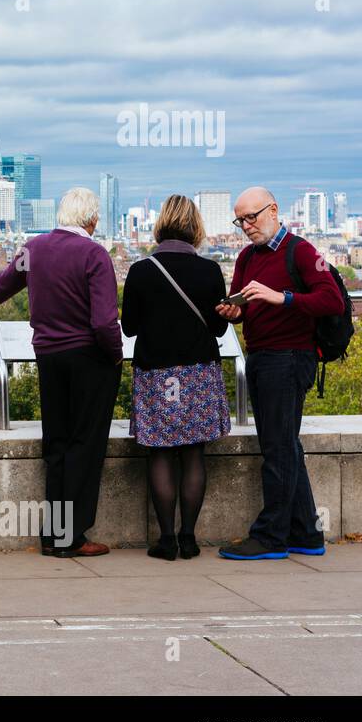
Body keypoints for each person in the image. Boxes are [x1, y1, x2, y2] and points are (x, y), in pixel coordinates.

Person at [0, 187, 122, 558]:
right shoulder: (95, 255)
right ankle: (73, 537)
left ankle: (53, 535)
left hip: (49, 356)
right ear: (92, 219)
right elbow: (103, 321)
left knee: (57, 444)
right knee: (86, 445)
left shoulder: (34, 249)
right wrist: (115, 355)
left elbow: (2, 285)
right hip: (89, 358)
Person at [215, 187, 344, 560]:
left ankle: (271, 535)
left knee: (277, 447)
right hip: (260, 356)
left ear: (273, 210)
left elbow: (331, 298)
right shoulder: (245, 257)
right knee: (285, 443)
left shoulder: (301, 251)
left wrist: (282, 296)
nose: (246, 226)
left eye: (252, 217)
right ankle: (306, 533)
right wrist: (234, 312)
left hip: (290, 358)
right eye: (240, 221)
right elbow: (240, 302)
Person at [121, 195, 231, 561]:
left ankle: (166, 539)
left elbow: (129, 327)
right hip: (199, 372)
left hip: (156, 373)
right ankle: (189, 537)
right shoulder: (210, 272)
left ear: (161, 225)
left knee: (161, 452)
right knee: (194, 452)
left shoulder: (140, 271)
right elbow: (217, 329)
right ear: (195, 227)